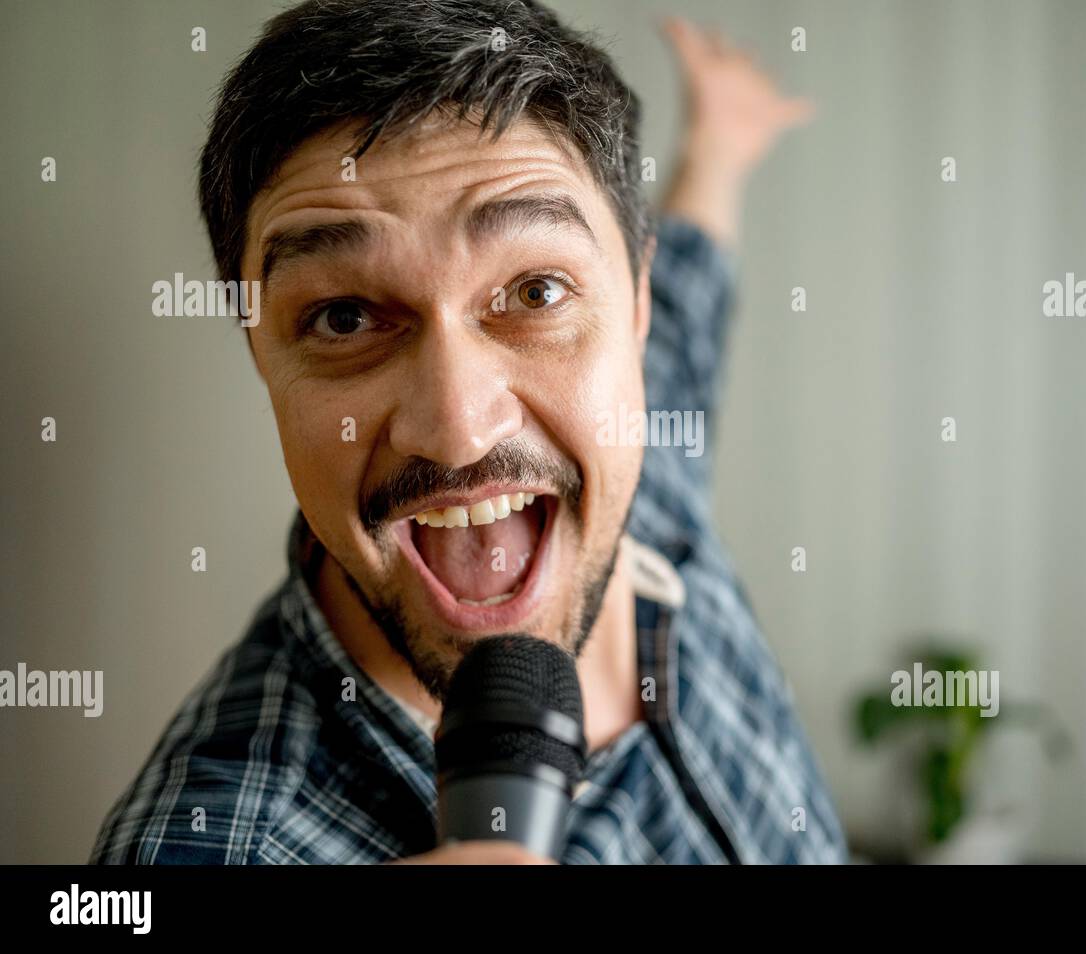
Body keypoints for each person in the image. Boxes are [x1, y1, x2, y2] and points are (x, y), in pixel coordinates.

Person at [91, 0, 844, 864]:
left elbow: (691, 279)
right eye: (344, 316)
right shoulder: (205, 847)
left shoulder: (651, 458)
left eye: (535, 293)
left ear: (634, 305)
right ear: (261, 352)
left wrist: (719, 143)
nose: (458, 432)